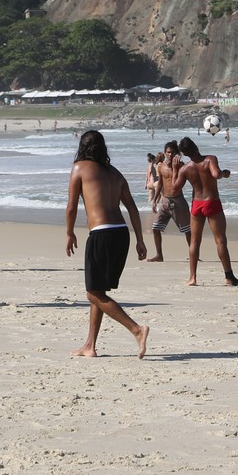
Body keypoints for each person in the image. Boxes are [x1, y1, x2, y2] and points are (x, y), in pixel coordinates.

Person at [65, 130, 151, 358]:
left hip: (101, 234)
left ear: (81, 147)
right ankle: (90, 345)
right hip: (122, 234)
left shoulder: (79, 168)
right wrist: (140, 240)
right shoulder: (115, 174)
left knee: (93, 293)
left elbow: (72, 206)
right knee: (99, 289)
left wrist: (69, 233)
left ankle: (137, 330)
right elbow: (132, 207)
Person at [173, 136, 238, 287]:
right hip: (211, 203)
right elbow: (216, 174)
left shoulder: (185, 169)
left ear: (184, 154)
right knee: (220, 240)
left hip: (197, 204)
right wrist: (225, 173)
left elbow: (175, 188)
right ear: (196, 147)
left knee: (194, 241)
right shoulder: (210, 159)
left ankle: (192, 278)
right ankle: (229, 277)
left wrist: (175, 170)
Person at [149, 141, 192, 261]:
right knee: (155, 228)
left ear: (177, 154)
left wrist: (175, 168)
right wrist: (155, 200)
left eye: (173, 152)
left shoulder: (182, 166)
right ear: (164, 153)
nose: (170, 155)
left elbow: (179, 184)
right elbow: (160, 184)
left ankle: (194, 254)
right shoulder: (160, 166)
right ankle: (159, 255)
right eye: (168, 152)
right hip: (165, 201)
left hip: (178, 202)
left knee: (187, 230)